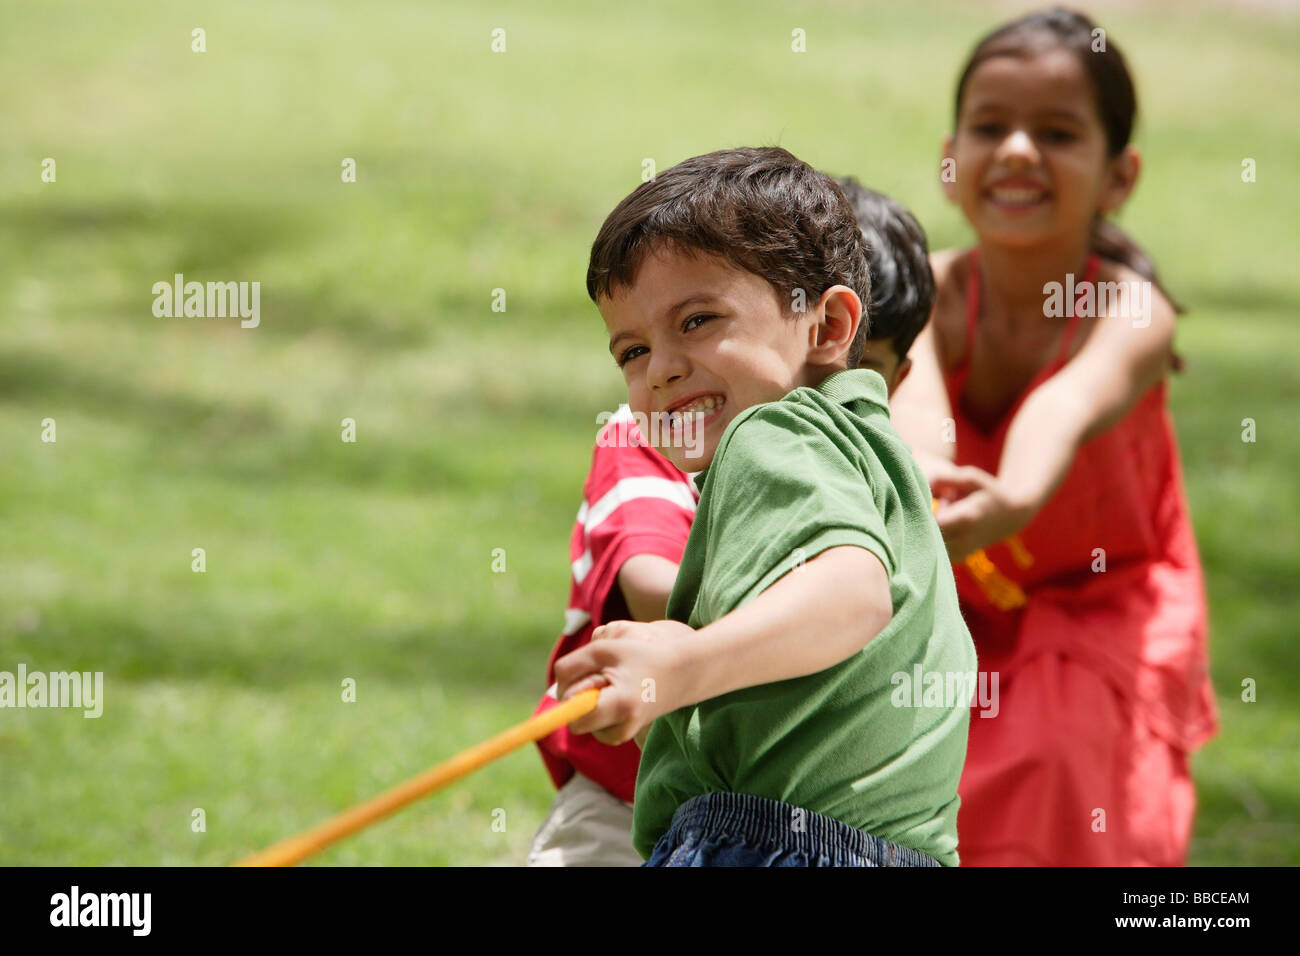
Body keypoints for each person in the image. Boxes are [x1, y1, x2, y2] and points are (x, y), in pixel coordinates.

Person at [553, 146, 976, 867]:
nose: (660, 369)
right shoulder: (874, 455)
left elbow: (851, 593)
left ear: (829, 327)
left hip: (772, 845)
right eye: (630, 350)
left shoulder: (771, 431)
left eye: (696, 321)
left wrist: (682, 665)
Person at [889, 6, 1218, 865]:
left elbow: (1061, 407)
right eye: (991, 126)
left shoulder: (1130, 312)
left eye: (1059, 132)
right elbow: (916, 404)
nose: (1020, 151)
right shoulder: (920, 292)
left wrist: (1016, 500)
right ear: (951, 160)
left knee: (1055, 752)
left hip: (1102, 602)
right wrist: (928, 470)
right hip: (955, 602)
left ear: (1119, 175)